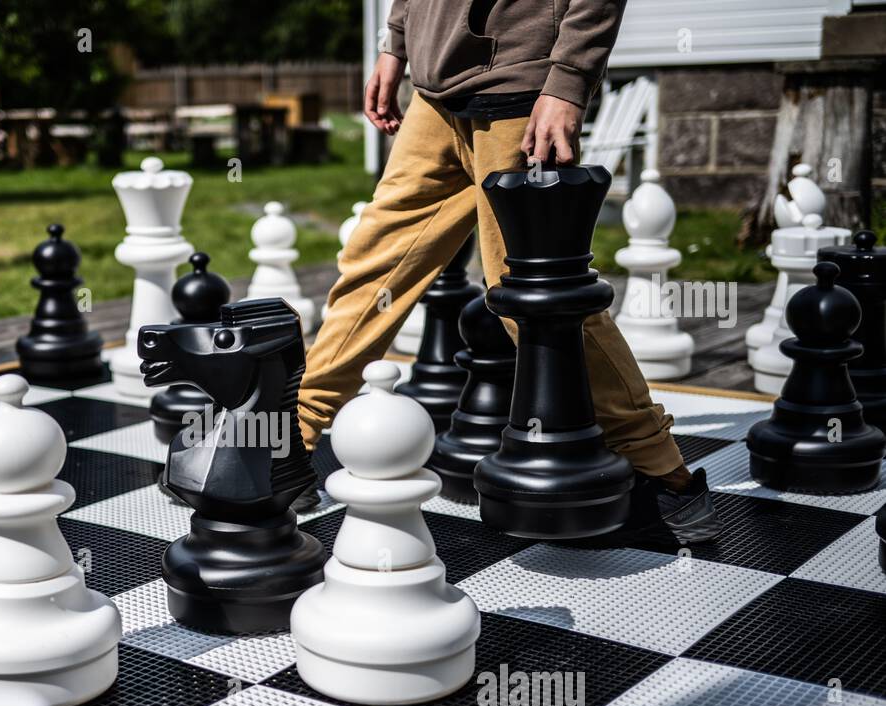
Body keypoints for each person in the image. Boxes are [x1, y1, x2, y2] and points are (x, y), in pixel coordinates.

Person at [300, 0, 719, 542]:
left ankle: (666, 478)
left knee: (536, 297)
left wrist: (567, 80)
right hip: (435, 93)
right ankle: (293, 439)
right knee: (372, 267)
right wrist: (396, 43)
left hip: (520, 92)